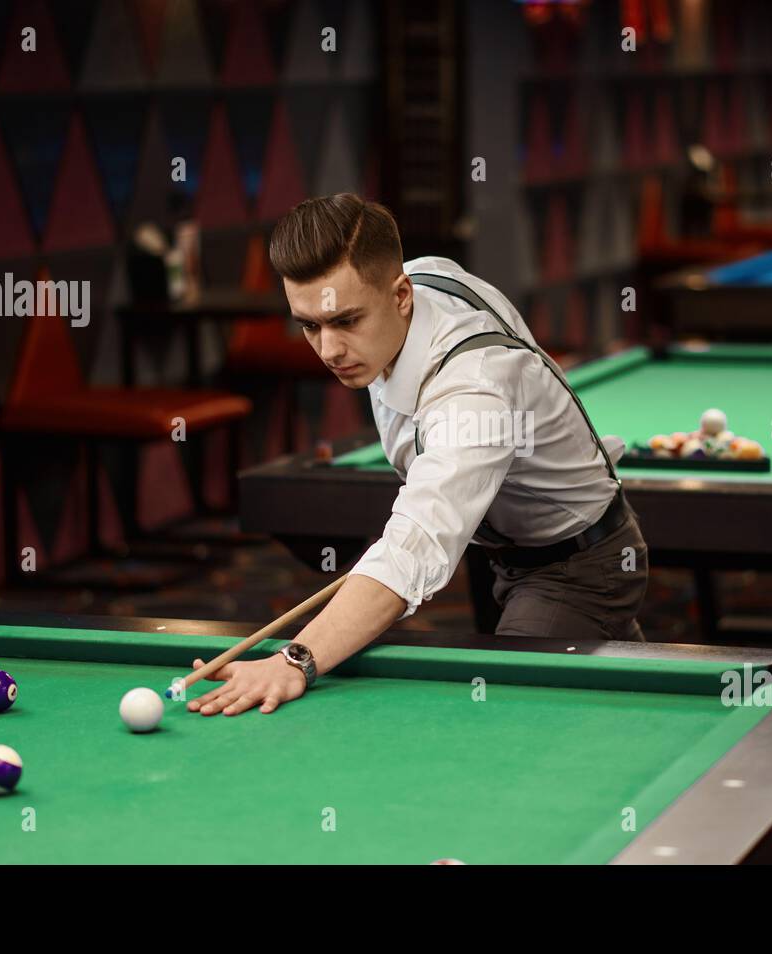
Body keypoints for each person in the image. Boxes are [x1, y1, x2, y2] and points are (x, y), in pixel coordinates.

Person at [190, 194, 648, 717]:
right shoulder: (410, 281)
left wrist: (295, 661)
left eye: (345, 321)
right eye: (310, 325)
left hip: (578, 564)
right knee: (624, 687)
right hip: (504, 549)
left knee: (508, 719)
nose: (329, 351)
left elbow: (417, 546)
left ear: (402, 294)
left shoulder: (473, 395)